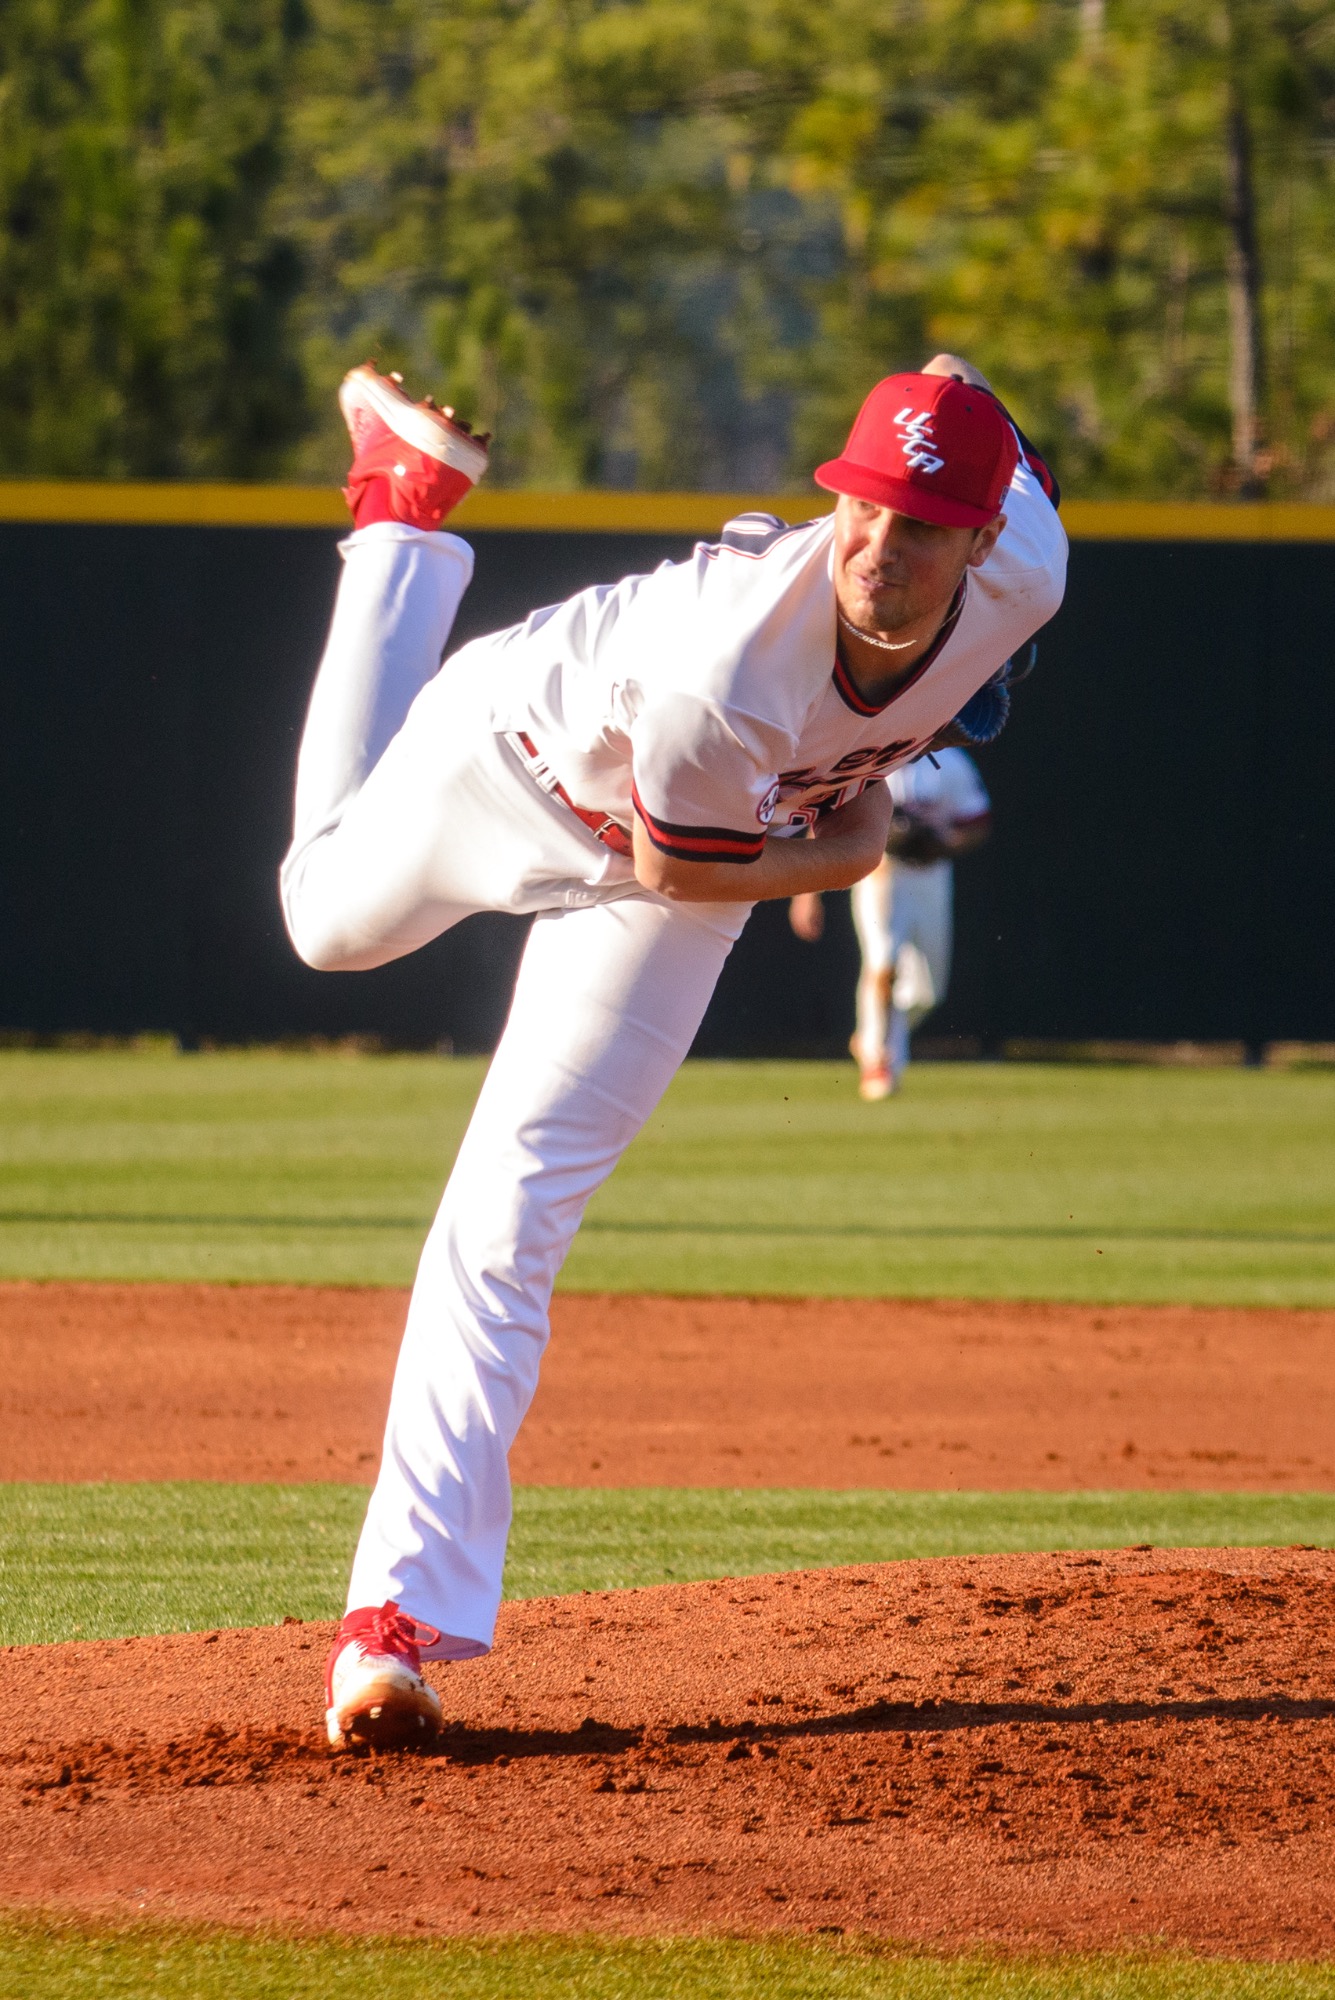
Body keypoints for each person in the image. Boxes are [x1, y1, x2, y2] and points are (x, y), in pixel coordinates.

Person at [279, 353, 1065, 1750]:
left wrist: (947, 384)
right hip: (519, 767)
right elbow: (678, 863)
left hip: (689, 858)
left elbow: (964, 393)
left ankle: (386, 1630)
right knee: (321, 923)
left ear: (988, 530)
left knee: (511, 1211)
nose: (878, 545)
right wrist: (843, 851)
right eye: (864, 505)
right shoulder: (730, 667)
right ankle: (402, 520)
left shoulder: (1032, 568)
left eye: (922, 519)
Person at [789, 745, 993, 1099]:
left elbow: (976, 823)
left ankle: (872, 1038)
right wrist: (807, 894)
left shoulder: (951, 763)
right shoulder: (876, 753)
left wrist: (941, 844)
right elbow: (830, 817)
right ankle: (878, 1060)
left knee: (927, 992)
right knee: (883, 961)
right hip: (880, 872)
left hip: (930, 876)